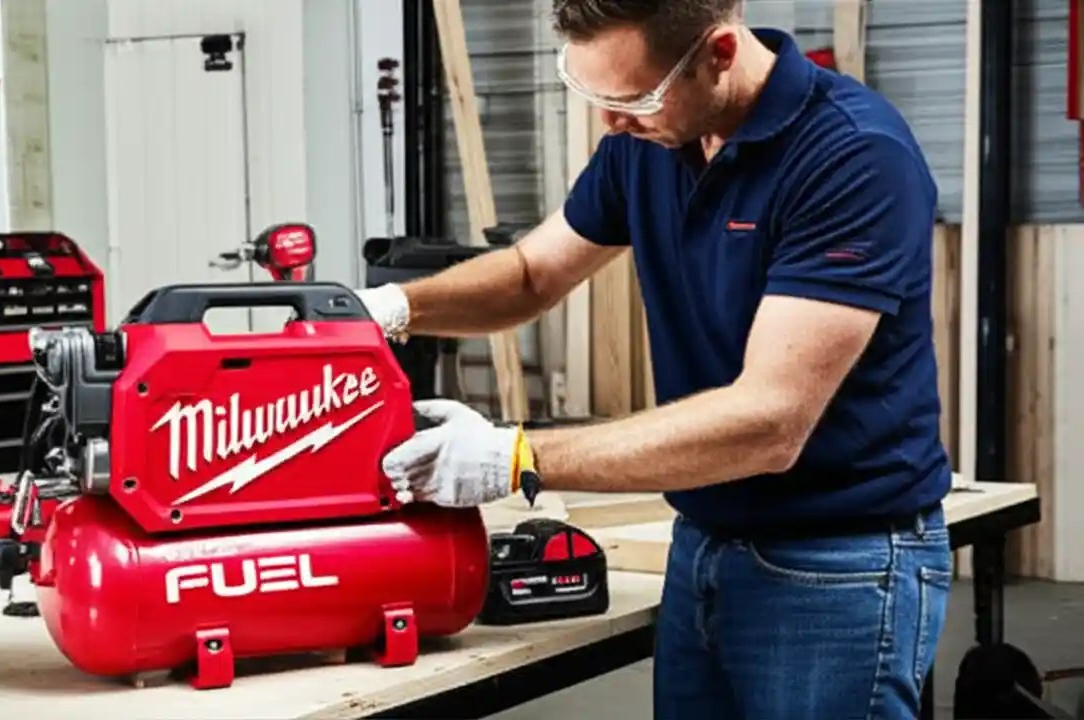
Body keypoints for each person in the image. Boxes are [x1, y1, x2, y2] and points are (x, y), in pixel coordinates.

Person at [355, 0, 953, 718]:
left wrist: (512, 457)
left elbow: (769, 423)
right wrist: (387, 312)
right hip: (703, 540)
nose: (610, 123)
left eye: (631, 97)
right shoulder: (649, 138)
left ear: (721, 54)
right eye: (593, 95)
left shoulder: (854, 157)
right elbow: (530, 275)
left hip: (835, 564)